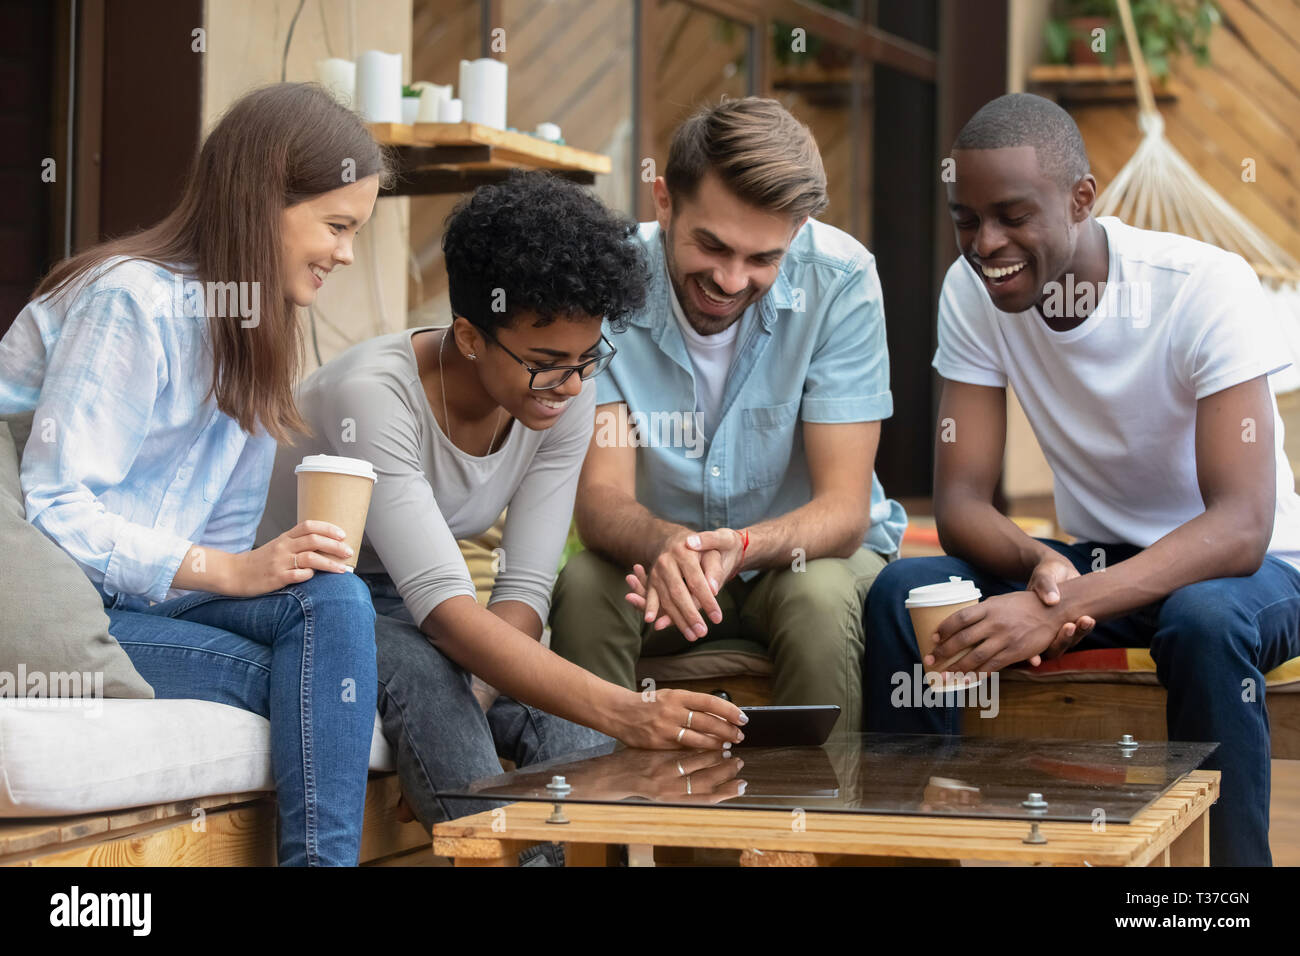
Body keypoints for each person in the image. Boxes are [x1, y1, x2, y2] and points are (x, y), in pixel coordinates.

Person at [863, 92, 1300, 866]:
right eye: (966, 218)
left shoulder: (1201, 287)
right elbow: (961, 501)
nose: (985, 243)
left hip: (1256, 571)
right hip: (1096, 561)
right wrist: (1041, 569)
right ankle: (917, 851)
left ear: (1082, 198)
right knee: (906, 594)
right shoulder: (972, 293)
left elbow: (1240, 525)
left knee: (1201, 622)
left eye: (1011, 215)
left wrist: (1060, 608)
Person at [256, 171, 748, 835]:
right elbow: (452, 621)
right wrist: (630, 711)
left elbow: (520, 593)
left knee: (571, 727)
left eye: (586, 358)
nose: (571, 385)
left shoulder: (562, 395)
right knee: (435, 683)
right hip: (299, 597)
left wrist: (483, 696)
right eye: (547, 360)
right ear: (468, 336)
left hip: (409, 607)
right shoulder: (373, 398)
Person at [0, 83, 387, 866]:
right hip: (61, 611)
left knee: (334, 597)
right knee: (320, 684)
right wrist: (231, 570)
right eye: (338, 227)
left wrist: (258, 569)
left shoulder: (257, 330)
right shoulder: (132, 304)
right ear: (263, 199)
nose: (346, 254)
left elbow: (220, 539)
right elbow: (53, 506)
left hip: (143, 604)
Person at [549, 97, 906, 734]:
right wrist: (667, 544)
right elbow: (600, 500)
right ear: (663, 202)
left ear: (794, 234)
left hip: (803, 558)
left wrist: (740, 548)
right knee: (583, 586)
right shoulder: (607, 284)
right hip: (655, 560)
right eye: (711, 246)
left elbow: (844, 513)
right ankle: (593, 821)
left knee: (818, 600)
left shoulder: (843, 281)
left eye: (762, 258)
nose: (731, 279)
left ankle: (802, 830)